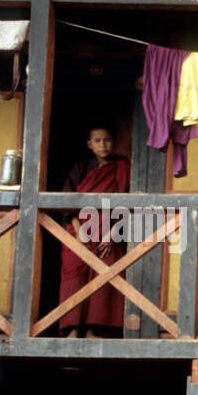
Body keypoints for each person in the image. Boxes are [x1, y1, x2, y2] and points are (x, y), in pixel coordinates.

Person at [60, 125, 130, 338]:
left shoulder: (123, 168)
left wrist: (113, 233)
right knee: (74, 279)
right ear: (89, 144)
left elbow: (129, 205)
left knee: (105, 276)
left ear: (114, 143)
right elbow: (66, 201)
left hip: (110, 231)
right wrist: (80, 231)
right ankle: (73, 328)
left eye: (107, 140)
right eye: (98, 141)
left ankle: (95, 329)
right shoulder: (80, 169)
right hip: (79, 230)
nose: (103, 144)